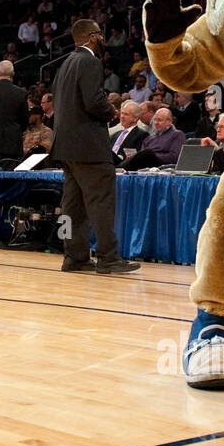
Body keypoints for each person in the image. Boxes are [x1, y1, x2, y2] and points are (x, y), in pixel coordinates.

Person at [49, 19, 139, 274]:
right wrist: (109, 110)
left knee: (72, 206)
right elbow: (93, 101)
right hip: (89, 146)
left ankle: (74, 257)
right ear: (91, 37)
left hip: (66, 147)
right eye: (100, 35)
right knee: (101, 202)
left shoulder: (65, 63)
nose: (103, 39)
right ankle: (108, 257)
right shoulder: (89, 61)